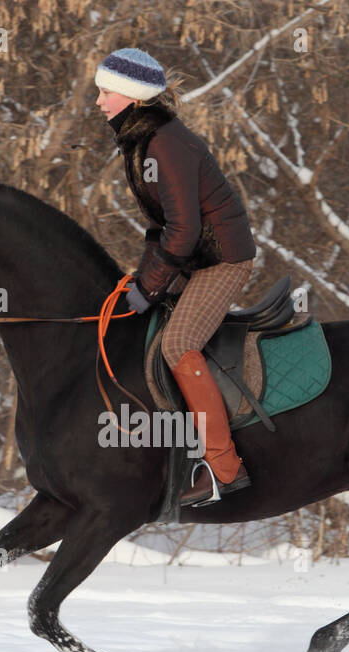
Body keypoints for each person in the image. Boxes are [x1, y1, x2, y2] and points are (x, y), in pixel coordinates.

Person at [95, 47, 258, 507]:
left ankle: (225, 469)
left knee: (176, 344)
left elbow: (184, 230)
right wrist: (141, 280)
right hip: (192, 257)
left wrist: (149, 286)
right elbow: (161, 225)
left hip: (222, 260)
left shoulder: (165, 143)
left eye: (105, 92)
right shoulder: (142, 141)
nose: (99, 101)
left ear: (130, 97)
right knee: (147, 332)